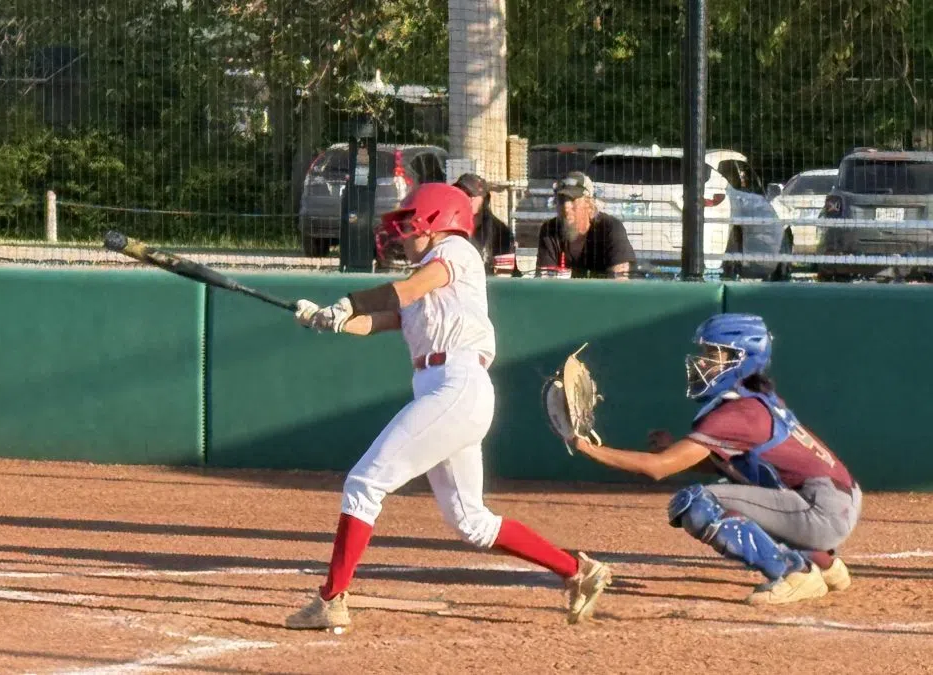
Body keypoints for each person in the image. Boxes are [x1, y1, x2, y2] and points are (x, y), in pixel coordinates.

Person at [288, 182, 613, 630]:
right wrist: (330, 319)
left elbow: (408, 289)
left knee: (364, 483)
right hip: (445, 390)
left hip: (455, 386)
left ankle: (331, 600)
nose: (402, 233)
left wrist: (347, 302)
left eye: (410, 223)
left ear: (438, 220)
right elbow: (383, 319)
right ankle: (579, 572)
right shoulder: (428, 274)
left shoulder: (456, 252)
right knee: (472, 522)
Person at [567, 313, 861, 605]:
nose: (703, 362)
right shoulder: (755, 398)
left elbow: (656, 469)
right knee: (738, 490)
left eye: (713, 354)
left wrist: (587, 447)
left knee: (696, 503)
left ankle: (795, 572)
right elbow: (740, 466)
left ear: (741, 358)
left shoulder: (737, 413)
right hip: (834, 501)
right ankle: (824, 563)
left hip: (821, 510)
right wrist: (675, 451)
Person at [535, 171, 636, 279]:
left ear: (589, 203)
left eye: (572, 200)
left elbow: (620, 281)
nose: (566, 206)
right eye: (561, 200)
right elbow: (545, 282)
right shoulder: (549, 231)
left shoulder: (610, 228)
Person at [453, 172, 515, 274]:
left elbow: (504, 274)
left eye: (470, 194)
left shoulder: (500, 232)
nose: (464, 198)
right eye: (460, 193)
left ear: (485, 199)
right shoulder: (450, 228)